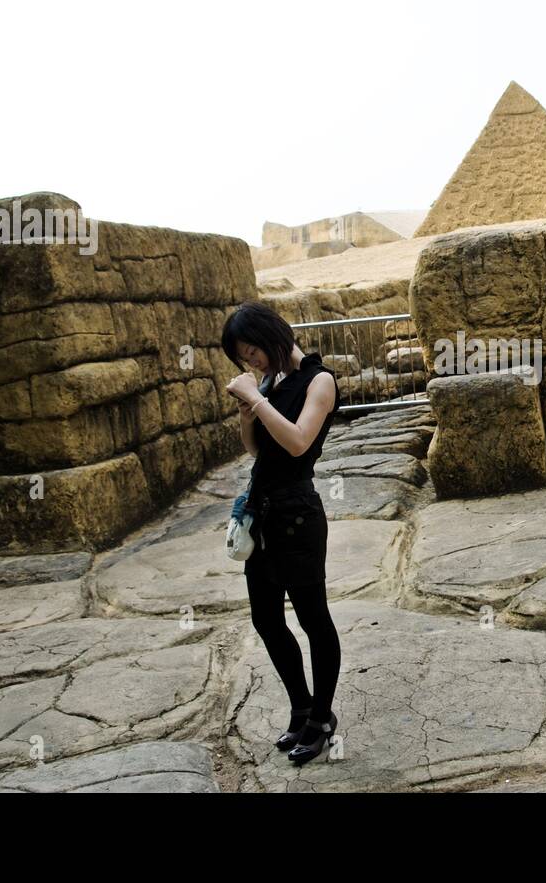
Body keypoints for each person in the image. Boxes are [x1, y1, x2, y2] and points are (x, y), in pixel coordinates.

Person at [221, 301, 341, 766]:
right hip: (263, 511)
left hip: (298, 515)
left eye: (253, 351)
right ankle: (301, 708)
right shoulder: (272, 382)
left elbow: (297, 443)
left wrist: (256, 399)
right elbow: (257, 450)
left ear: (272, 335)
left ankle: (323, 719)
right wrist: (249, 413)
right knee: (267, 620)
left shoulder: (320, 381)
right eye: (244, 358)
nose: (251, 363)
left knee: (314, 620)